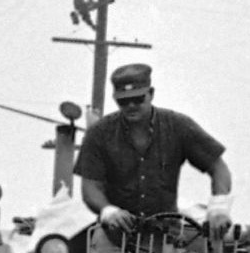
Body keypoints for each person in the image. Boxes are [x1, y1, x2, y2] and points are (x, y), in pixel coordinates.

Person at [74, 61, 233, 234]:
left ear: (151, 93)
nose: (131, 106)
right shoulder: (99, 134)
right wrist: (108, 210)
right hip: (114, 239)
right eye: (124, 101)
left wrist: (219, 206)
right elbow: (90, 187)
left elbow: (218, 168)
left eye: (137, 99)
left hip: (165, 240)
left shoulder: (178, 126)